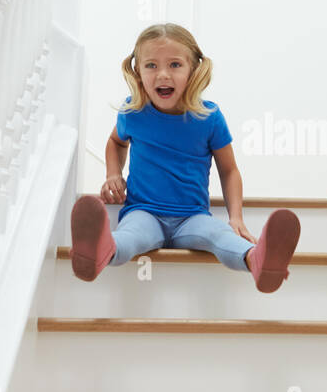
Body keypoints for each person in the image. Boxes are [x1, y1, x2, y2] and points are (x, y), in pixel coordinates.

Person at [69, 22, 300, 293]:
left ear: (194, 70)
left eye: (175, 65)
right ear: (137, 71)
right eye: (151, 65)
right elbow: (115, 142)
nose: (163, 74)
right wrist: (113, 174)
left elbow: (229, 170)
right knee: (129, 237)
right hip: (144, 212)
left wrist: (235, 216)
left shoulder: (209, 118)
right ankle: (97, 253)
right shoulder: (132, 112)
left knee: (219, 235)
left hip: (192, 217)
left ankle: (258, 260)